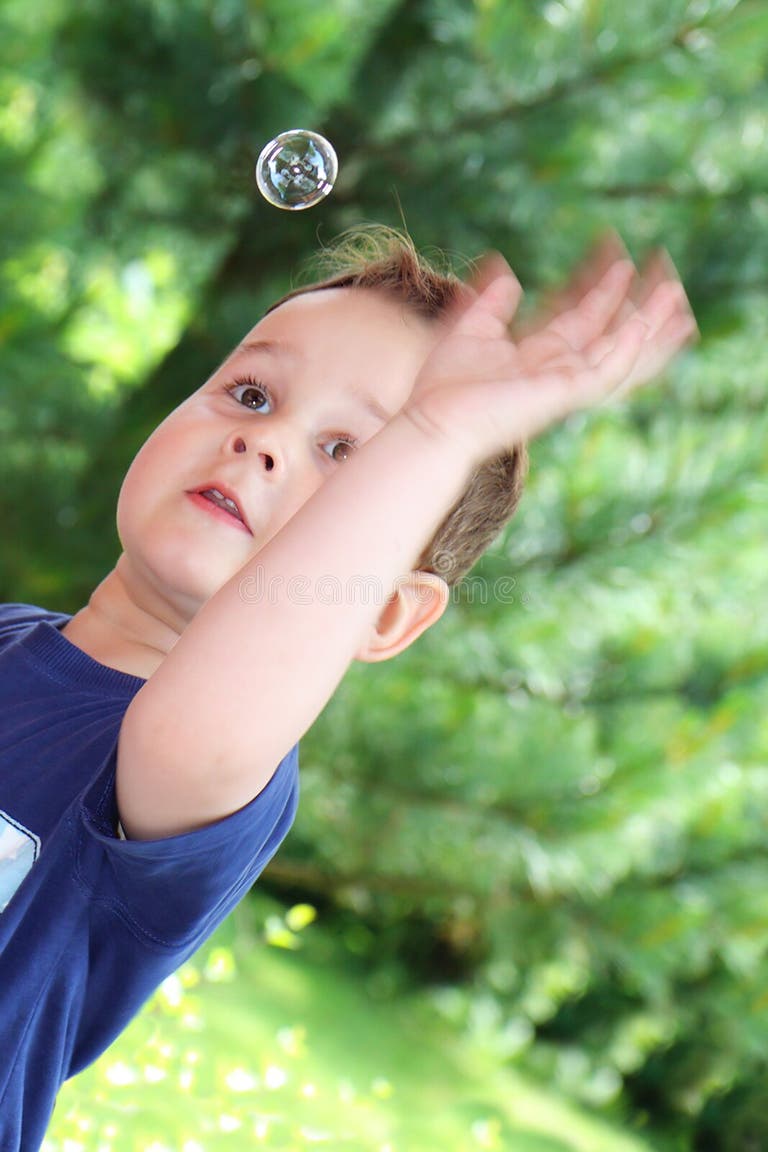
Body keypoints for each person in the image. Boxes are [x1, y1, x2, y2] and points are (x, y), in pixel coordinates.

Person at [0, 226, 695, 1149]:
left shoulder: (188, 767)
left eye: (347, 456)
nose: (265, 440)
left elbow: (205, 715)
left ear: (382, 613)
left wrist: (436, 435)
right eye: (251, 393)